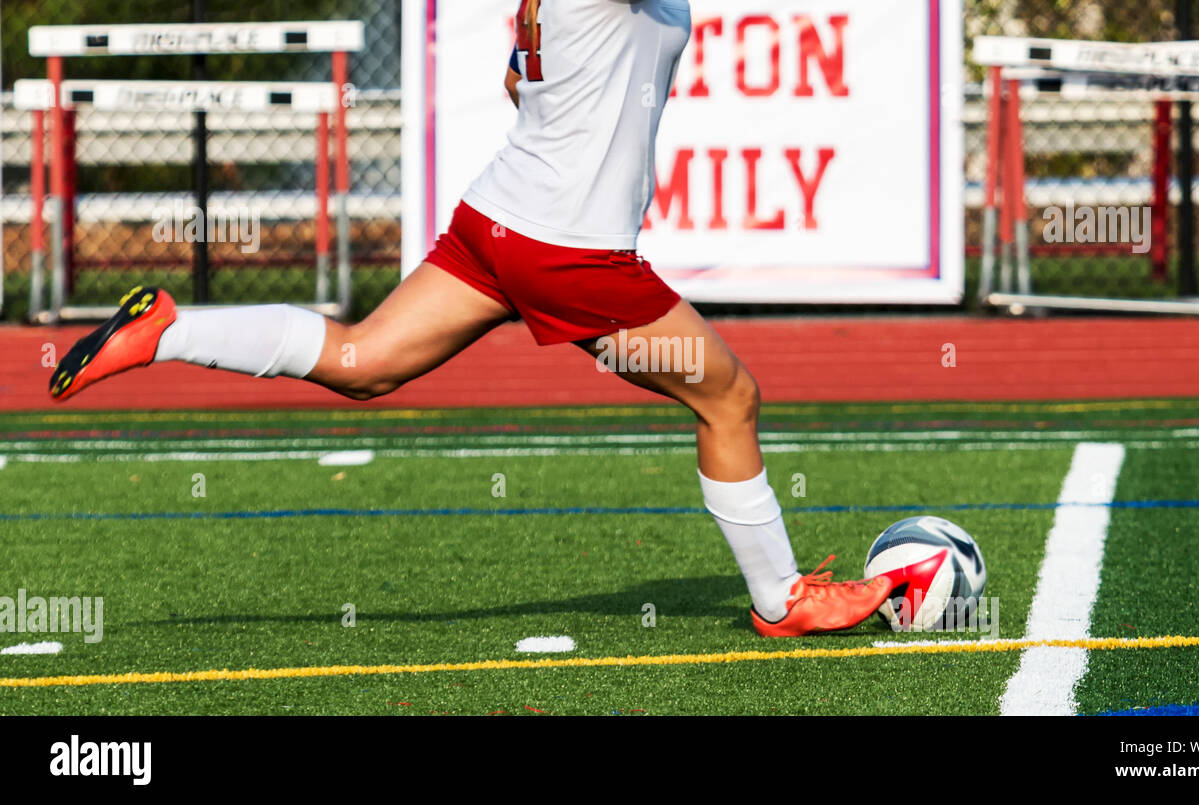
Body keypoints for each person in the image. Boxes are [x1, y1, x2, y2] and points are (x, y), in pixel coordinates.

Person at [49, 0, 889, 636]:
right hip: (572, 250)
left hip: (496, 223)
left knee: (362, 361)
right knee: (729, 397)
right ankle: (782, 600)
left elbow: (523, 78)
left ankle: (169, 329)